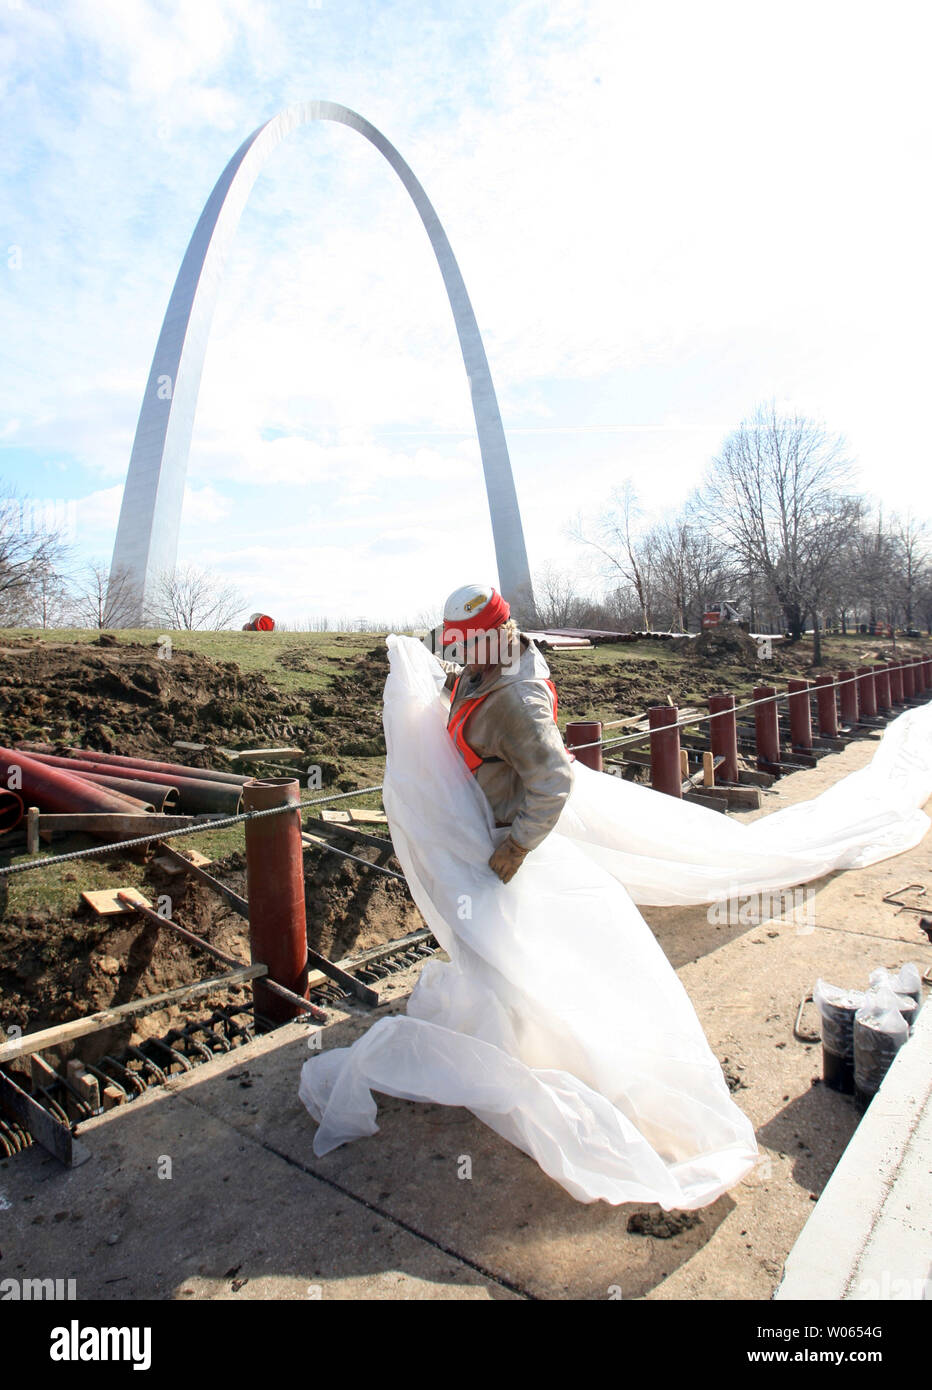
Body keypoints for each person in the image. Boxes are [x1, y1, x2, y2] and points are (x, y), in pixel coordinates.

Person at [434, 583, 574, 883]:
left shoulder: (520, 702)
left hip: (495, 839)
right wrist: (426, 667)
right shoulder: (496, 660)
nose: (460, 652)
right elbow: (471, 685)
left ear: (498, 633)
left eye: (465, 643)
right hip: (473, 823)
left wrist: (516, 848)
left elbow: (554, 781)